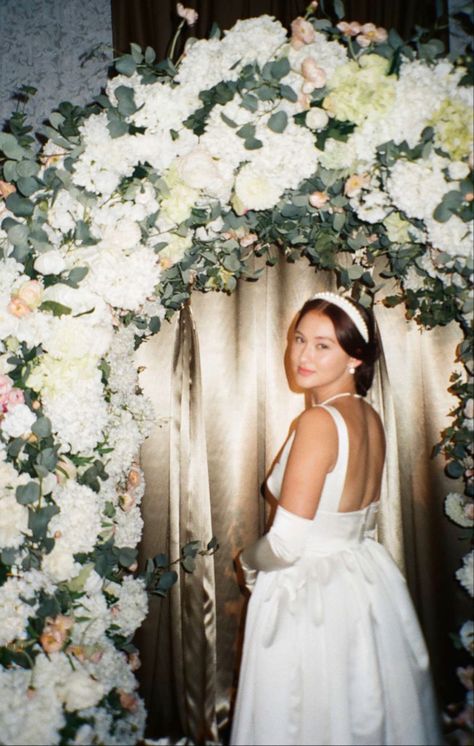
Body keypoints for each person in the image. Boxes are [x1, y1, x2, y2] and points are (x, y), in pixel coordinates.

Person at [230, 292, 443, 746]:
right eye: (300, 339)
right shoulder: (370, 417)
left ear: (355, 357)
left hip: (311, 592)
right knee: (359, 710)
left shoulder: (318, 423)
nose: (304, 355)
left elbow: (286, 544)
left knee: (304, 718)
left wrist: (245, 562)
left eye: (323, 345)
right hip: (364, 579)